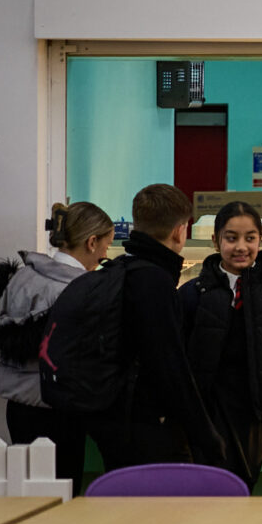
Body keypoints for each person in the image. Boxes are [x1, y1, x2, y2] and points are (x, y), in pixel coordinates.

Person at [89, 184, 227, 473]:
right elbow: (170, 368)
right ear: (180, 230)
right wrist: (206, 436)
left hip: (112, 419)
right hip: (147, 427)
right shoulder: (155, 282)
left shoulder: (119, 269)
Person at [0, 200, 114, 482]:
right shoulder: (78, 290)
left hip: (18, 405)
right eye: (106, 246)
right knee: (62, 490)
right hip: (58, 405)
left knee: (27, 489)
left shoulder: (23, 275)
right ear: (92, 242)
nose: (105, 254)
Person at [177, 201, 262, 488]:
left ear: (260, 240)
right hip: (207, 416)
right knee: (207, 497)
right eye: (231, 238)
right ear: (215, 241)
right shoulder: (192, 293)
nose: (241, 247)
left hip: (254, 417)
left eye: (250, 238)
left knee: (239, 494)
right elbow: (180, 361)